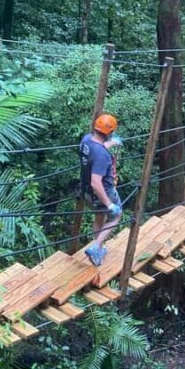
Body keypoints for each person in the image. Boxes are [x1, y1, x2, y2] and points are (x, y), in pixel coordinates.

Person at [80, 113, 123, 266]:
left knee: (99, 216)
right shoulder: (103, 156)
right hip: (102, 191)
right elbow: (96, 182)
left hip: (86, 191)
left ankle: (97, 247)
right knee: (116, 216)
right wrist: (110, 204)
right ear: (110, 132)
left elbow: (96, 148)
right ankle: (96, 247)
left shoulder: (86, 140)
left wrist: (111, 144)